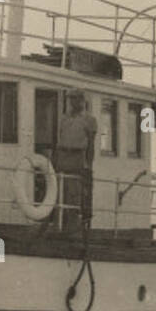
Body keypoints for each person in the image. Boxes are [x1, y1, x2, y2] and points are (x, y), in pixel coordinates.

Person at [55, 91, 97, 230]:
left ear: (81, 100)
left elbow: (91, 143)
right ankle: (59, 223)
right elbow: (59, 138)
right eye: (70, 99)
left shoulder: (89, 120)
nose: (72, 102)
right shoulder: (64, 118)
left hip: (77, 155)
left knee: (75, 191)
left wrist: (89, 164)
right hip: (63, 154)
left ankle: (73, 226)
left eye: (75, 99)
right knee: (60, 189)